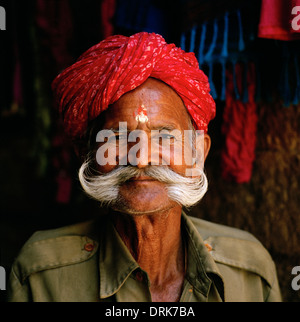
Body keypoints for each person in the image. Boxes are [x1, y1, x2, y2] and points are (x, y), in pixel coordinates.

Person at [7, 32, 281, 302]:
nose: (141, 159)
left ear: (198, 152)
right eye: (117, 136)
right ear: (88, 153)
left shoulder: (250, 271)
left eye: (164, 136)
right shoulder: (40, 275)